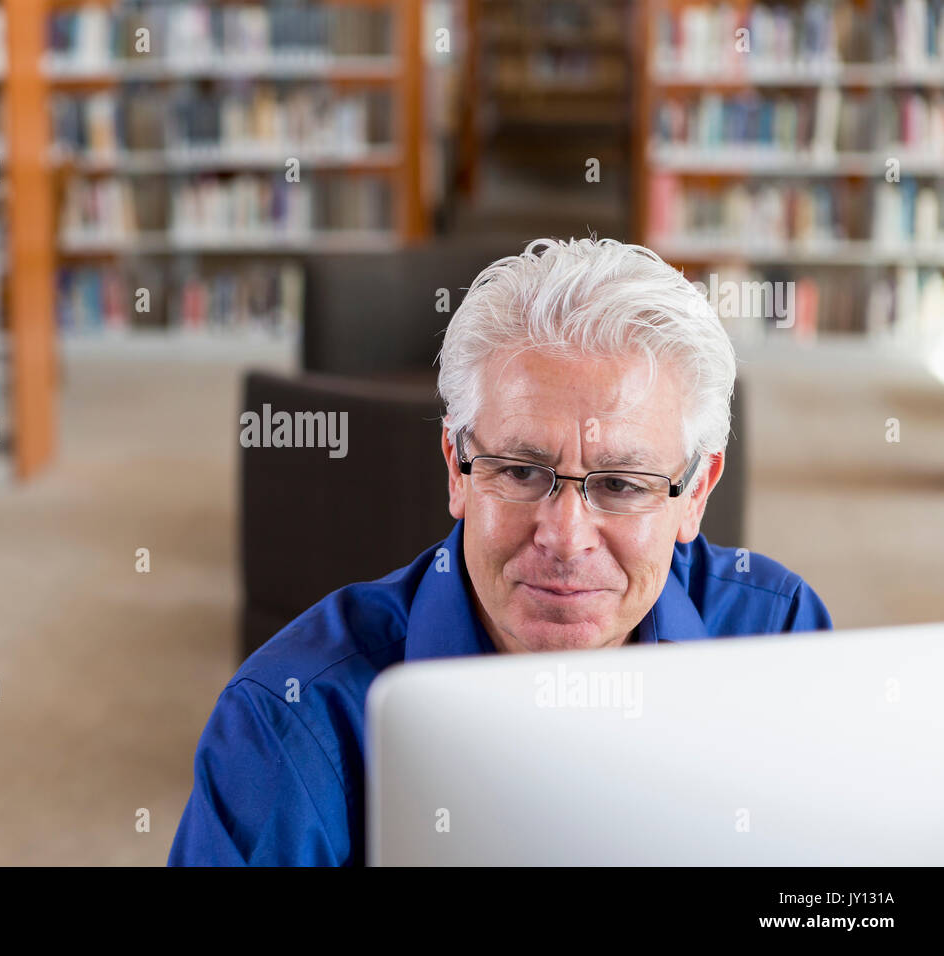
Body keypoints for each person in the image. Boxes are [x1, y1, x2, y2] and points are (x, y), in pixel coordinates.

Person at [169, 238, 833, 866]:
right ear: (457, 469)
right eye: (519, 472)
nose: (565, 538)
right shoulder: (286, 724)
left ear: (695, 494)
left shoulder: (778, 636)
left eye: (622, 485)